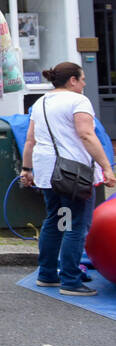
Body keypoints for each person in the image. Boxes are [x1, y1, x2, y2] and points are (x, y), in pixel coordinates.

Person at [20, 62, 116, 296]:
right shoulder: (78, 101)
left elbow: (30, 139)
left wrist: (26, 169)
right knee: (74, 226)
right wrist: (107, 168)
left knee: (57, 220)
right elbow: (86, 134)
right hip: (72, 174)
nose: (84, 84)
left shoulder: (41, 102)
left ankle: (47, 274)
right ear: (72, 80)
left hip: (47, 173)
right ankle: (71, 280)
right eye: (82, 79)